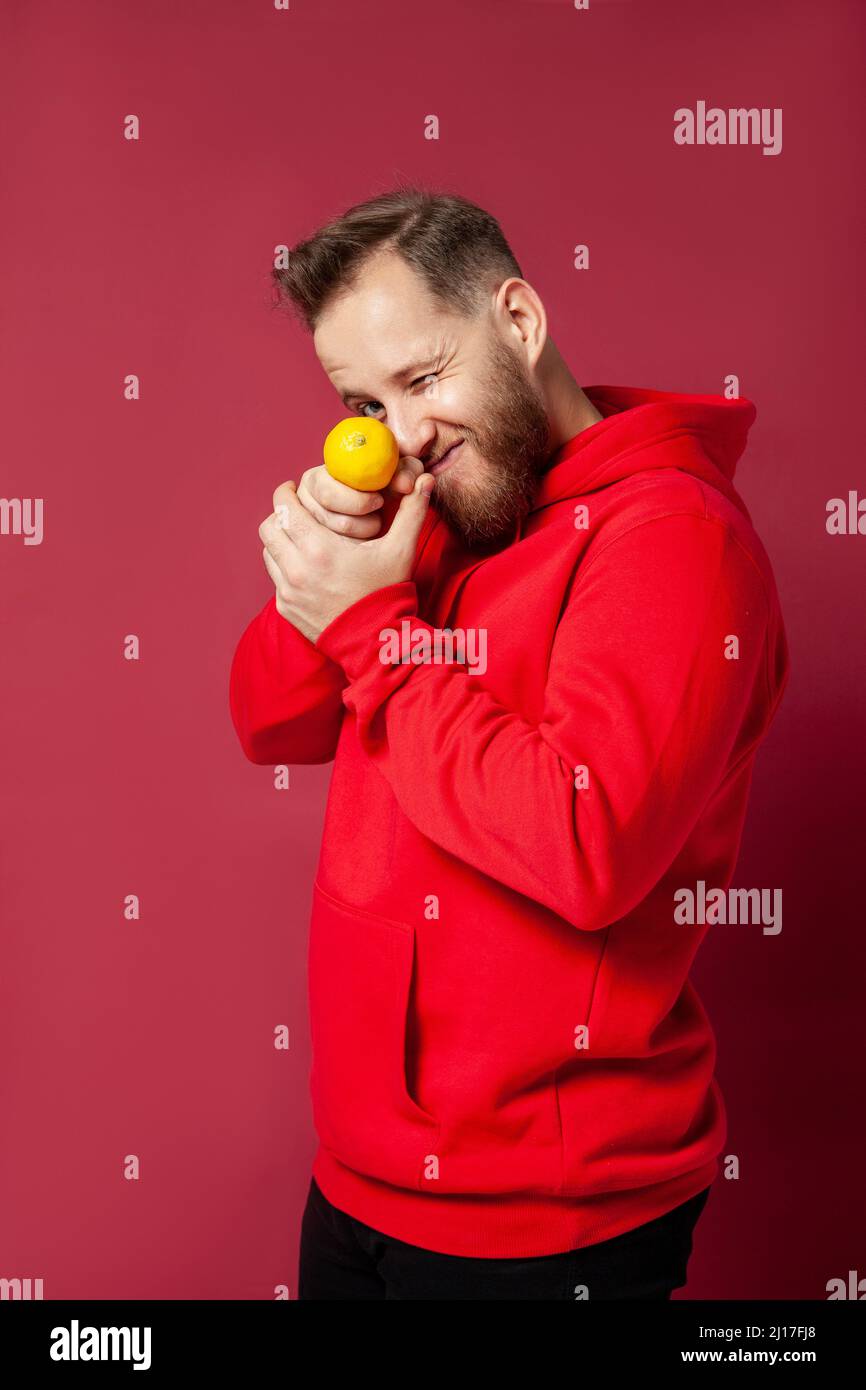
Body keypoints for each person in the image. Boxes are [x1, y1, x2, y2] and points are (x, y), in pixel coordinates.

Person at [229, 185, 789, 1300]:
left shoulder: (672, 539)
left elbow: (588, 845)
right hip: (359, 1180)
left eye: (422, 378)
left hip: (545, 1223)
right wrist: (326, 569)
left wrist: (367, 624)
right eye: (363, 400)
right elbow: (270, 722)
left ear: (519, 322)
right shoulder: (448, 505)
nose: (401, 434)